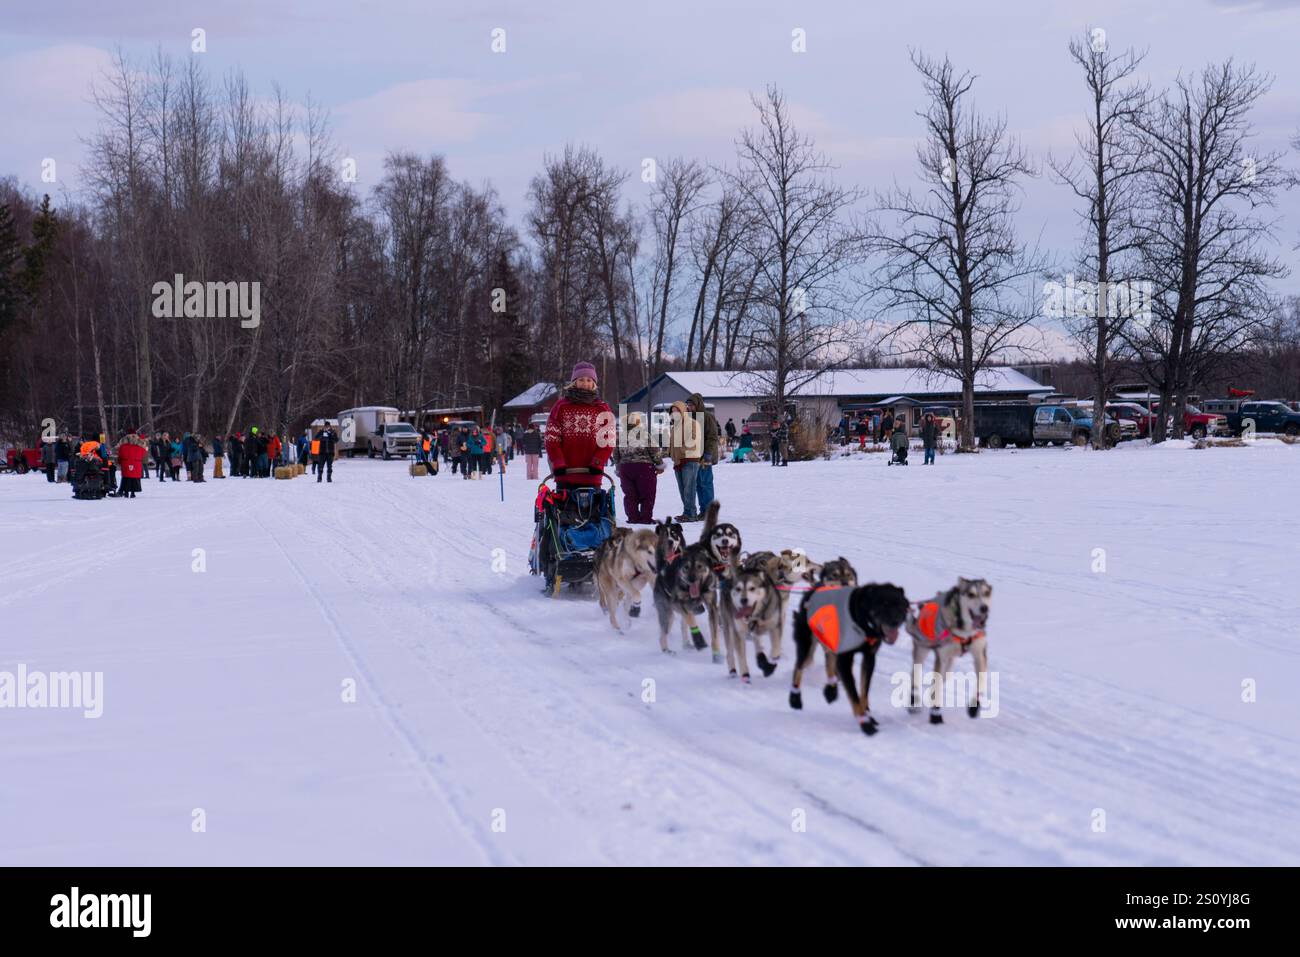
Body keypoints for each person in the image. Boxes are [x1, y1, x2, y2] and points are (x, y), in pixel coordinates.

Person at [544, 361, 614, 492]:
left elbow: (608, 440)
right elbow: (552, 439)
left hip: (592, 474)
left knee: (593, 512)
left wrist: (598, 462)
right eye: (581, 379)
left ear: (593, 383)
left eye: (589, 380)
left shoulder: (602, 408)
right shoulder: (561, 407)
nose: (585, 383)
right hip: (565, 474)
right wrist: (558, 462)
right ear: (574, 381)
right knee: (564, 512)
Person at [613, 412, 663, 524]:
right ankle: (645, 518)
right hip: (644, 468)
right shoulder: (644, 434)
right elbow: (654, 451)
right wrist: (659, 465)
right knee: (647, 494)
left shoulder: (620, 437)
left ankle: (633, 517)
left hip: (625, 469)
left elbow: (615, 455)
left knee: (630, 495)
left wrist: (618, 468)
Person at [116, 431, 147, 498]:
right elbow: (143, 454)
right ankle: (133, 493)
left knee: (126, 478)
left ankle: (126, 492)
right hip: (136, 464)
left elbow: (120, 455)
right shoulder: (140, 447)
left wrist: (119, 462)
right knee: (134, 478)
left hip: (126, 464)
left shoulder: (123, 446)